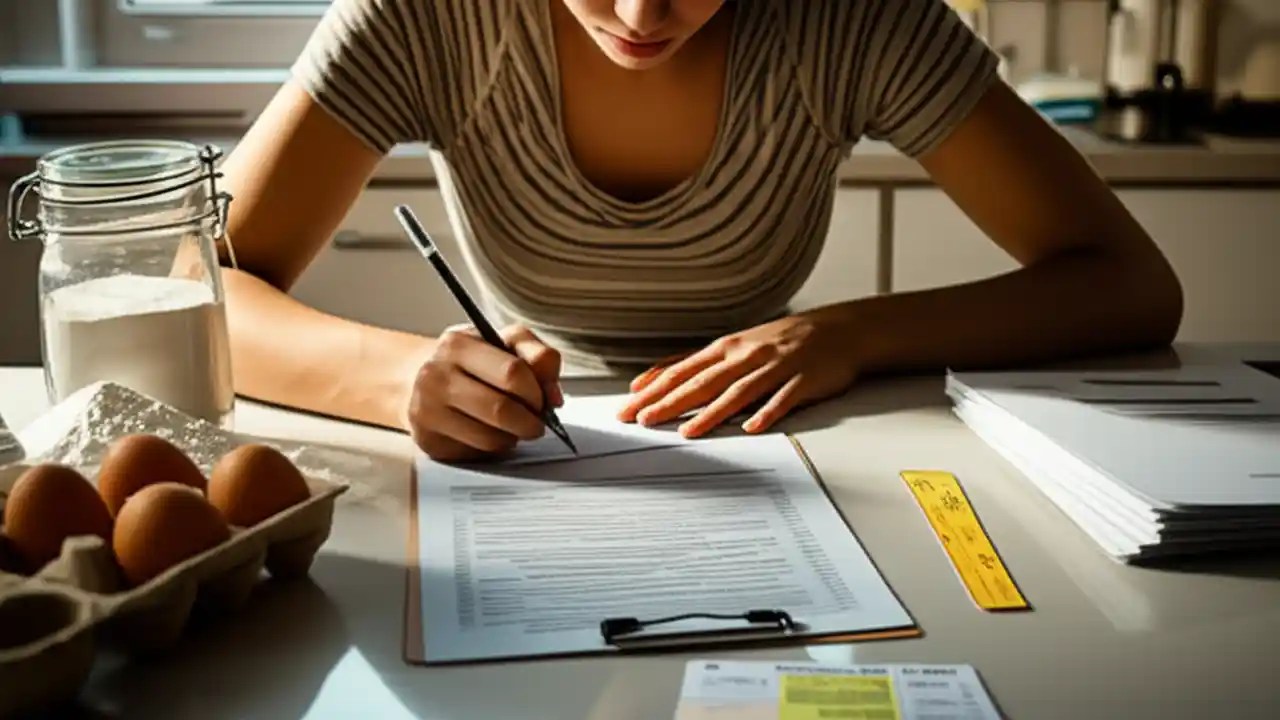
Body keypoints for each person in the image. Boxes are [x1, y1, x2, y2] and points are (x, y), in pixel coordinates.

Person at [217, 0, 1183, 461]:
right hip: (523, 465)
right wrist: (400, 380)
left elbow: (1130, 283)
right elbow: (200, 289)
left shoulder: (853, 20)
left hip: (796, 453)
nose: (641, 14)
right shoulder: (426, 16)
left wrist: (851, 334)